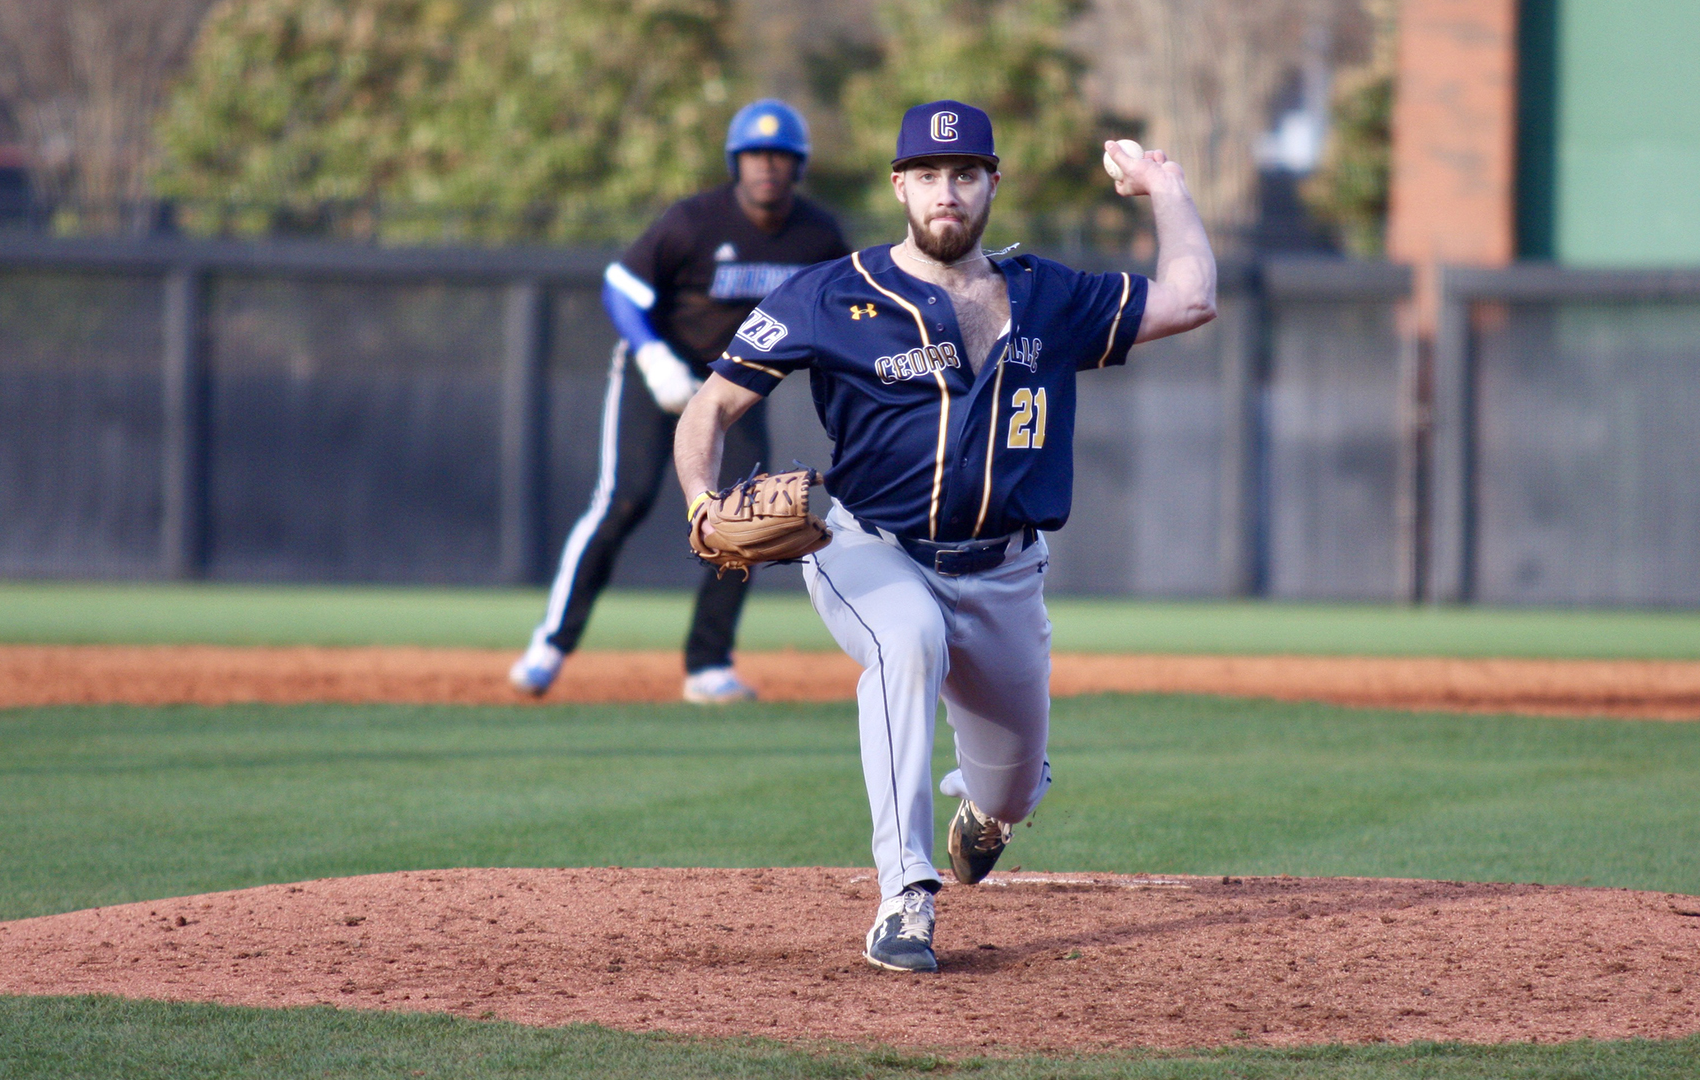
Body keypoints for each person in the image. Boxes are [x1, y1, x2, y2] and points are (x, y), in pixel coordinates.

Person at [673, 100, 1217, 971]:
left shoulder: (1050, 298)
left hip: (1005, 570)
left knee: (1011, 782)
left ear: (992, 183)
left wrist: (1166, 187)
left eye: (964, 174)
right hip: (868, 545)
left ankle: (986, 815)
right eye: (926, 175)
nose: (946, 193)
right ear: (899, 187)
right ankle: (904, 900)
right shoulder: (829, 293)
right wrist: (704, 499)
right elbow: (713, 406)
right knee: (907, 639)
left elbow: (1192, 299)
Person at [509, 99, 850, 703]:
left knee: (746, 517)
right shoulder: (695, 221)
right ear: (734, 162)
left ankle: (707, 664)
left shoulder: (817, 235)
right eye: (754, 156)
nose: (767, 167)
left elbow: (843, 310)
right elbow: (621, 286)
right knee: (624, 503)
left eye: (780, 157)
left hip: (740, 384)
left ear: (797, 167)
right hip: (660, 374)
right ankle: (551, 644)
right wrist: (651, 354)